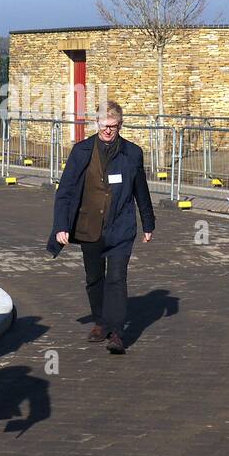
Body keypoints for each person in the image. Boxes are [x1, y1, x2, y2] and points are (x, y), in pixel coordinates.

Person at [47, 101, 155, 355]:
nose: (108, 131)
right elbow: (65, 192)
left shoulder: (132, 153)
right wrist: (61, 226)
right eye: (104, 126)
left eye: (113, 127)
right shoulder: (81, 151)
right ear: (96, 124)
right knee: (94, 279)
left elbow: (141, 190)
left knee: (117, 279)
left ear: (120, 125)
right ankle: (100, 321)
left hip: (121, 228)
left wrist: (148, 223)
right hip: (88, 227)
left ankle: (117, 332)